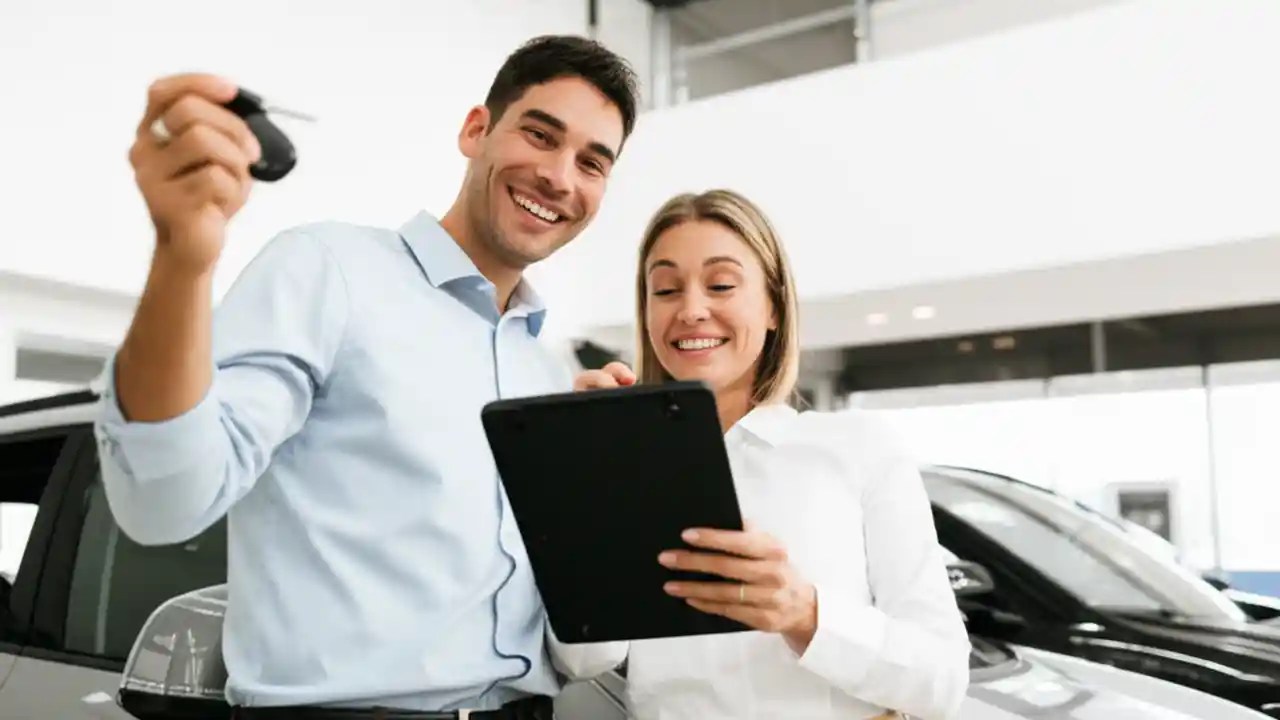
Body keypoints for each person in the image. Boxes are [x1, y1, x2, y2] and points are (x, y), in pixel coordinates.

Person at [92, 36, 640, 719]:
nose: (561, 176)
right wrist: (180, 261)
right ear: (476, 129)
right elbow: (163, 498)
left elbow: (577, 629)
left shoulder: (551, 365)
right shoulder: (328, 271)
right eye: (540, 134)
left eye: (592, 162)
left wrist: (599, 487)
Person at [572, 189, 972, 719]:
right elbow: (585, 659)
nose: (691, 310)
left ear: (774, 309)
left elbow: (941, 680)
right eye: (665, 289)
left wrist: (804, 612)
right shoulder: (628, 466)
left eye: (720, 285)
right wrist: (581, 469)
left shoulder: (857, 450)